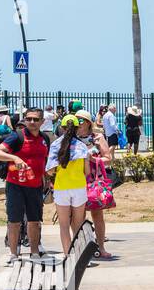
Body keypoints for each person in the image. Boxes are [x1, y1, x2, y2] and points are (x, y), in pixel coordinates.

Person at [0, 106, 49, 260]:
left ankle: (35, 252)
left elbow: (44, 162)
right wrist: (15, 158)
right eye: (28, 118)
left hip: (36, 186)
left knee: (34, 221)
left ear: (42, 121)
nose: (32, 122)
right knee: (14, 221)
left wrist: (47, 181)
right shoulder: (17, 136)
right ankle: (13, 254)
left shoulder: (45, 139)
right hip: (15, 185)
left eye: (36, 119)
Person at [46, 114, 93, 254]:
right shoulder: (82, 146)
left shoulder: (55, 144)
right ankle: (80, 254)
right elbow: (87, 171)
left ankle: (67, 254)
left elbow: (49, 170)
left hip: (62, 188)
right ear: (77, 128)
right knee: (78, 225)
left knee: (64, 226)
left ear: (62, 127)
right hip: (79, 187)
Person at [73, 109, 114, 259]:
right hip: (76, 181)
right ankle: (81, 248)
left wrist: (92, 160)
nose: (78, 123)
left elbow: (108, 158)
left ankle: (101, 247)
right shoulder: (71, 139)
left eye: (81, 120)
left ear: (89, 123)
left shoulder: (97, 137)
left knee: (97, 215)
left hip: (93, 182)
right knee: (78, 217)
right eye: (76, 120)